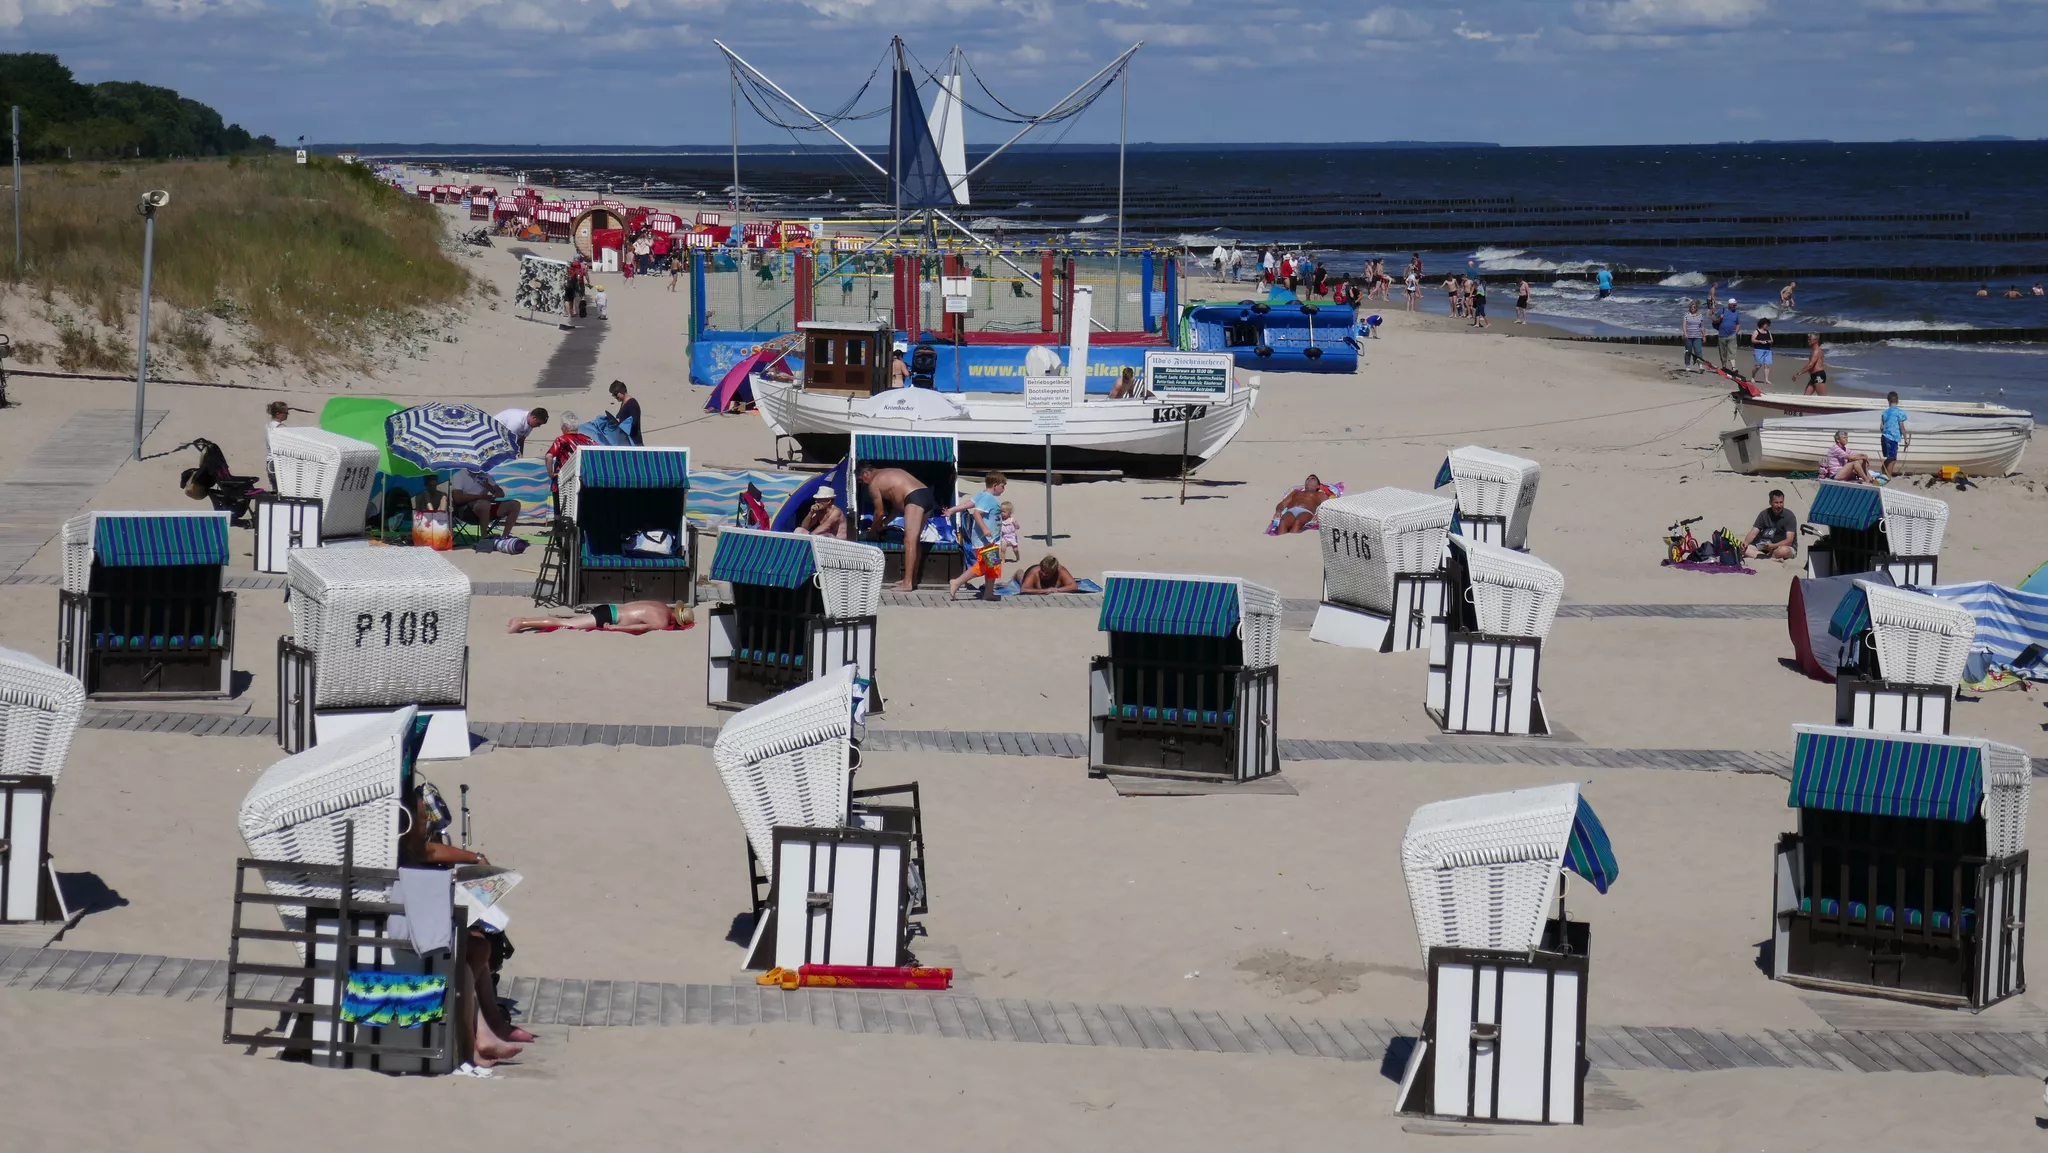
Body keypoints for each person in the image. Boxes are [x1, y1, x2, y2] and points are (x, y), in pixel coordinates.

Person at [397, 777, 531, 1066]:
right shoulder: (401, 849)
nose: (426, 827)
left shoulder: (407, 846)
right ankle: (479, 1040)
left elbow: (427, 851)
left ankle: (493, 1026)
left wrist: (475, 858)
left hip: (415, 922)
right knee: (472, 947)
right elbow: (425, 852)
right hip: (408, 933)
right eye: (422, 820)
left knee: (479, 945)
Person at [857, 463, 936, 591]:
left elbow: (879, 513)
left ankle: (907, 583)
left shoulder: (874, 483)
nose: (864, 484)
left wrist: (872, 531)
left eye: (861, 480)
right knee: (915, 541)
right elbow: (894, 510)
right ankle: (912, 579)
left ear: (866, 474)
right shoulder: (890, 472)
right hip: (926, 495)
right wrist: (883, 524)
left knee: (909, 541)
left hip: (914, 498)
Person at [945, 471, 1006, 601]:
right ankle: (957, 582)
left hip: (991, 539)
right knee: (984, 565)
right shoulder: (987, 498)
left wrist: (951, 510)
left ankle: (988, 593)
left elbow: (967, 505)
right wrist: (985, 529)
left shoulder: (981, 496)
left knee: (993, 566)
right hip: (985, 540)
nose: (1003, 489)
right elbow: (976, 514)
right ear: (995, 485)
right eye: (1002, 486)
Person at [507, 600, 694, 633]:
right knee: (565, 624)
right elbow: (641, 627)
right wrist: (616, 628)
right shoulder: (661, 622)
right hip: (610, 617)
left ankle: (524, 618)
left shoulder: (660, 605)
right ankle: (522, 622)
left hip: (610, 607)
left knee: (570, 621)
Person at [449, 467, 521, 538]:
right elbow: (457, 498)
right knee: (484, 504)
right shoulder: (459, 474)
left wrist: (490, 488)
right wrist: (479, 497)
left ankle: (505, 537)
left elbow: (501, 494)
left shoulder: (485, 475)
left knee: (515, 504)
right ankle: (484, 537)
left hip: (486, 506)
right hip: (466, 511)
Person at [542, 412, 592, 503]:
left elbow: (548, 456)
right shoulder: (588, 439)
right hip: (583, 480)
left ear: (565, 427)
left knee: (562, 510)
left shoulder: (561, 440)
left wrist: (551, 473)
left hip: (564, 480)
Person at [1742, 489, 1798, 561]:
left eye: (1781, 502)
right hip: (1766, 546)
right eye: (1776, 503)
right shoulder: (1764, 514)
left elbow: (1789, 540)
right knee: (1745, 549)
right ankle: (1771, 558)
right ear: (1770, 502)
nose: (1779, 505)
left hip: (1784, 546)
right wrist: (1746, 543)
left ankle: (1767, 557)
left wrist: (1774, 546)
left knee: (1783, 550)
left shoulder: (1789, 516)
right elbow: (1753, 532)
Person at [1271, 473, 1335, 535]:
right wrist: (1278, 511)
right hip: (1290, 510)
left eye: (1313, 479)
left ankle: (1292, 541)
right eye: (1307, 479)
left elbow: (1327, 505)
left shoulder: (1320, 494)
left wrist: (1319, 514)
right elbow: (1283, 504)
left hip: (1306, 511)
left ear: (1318, 486)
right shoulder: (1295, 492)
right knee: (1283, 522)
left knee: (1298, 522)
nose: (1309, 480)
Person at [1880, 391, 1910, 478]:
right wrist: (1906, 438)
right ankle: (1888, 477)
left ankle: (1882, 474)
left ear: (1888, 401)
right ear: (1898, 401)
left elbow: (1881, 427)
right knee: (1892, 459)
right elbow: (1902, 426)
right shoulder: (1900, 412)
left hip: (1884, 437)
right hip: (1892, 438)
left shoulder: (1885, 413)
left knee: (1889, 458)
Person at [264, 400, 290, 488]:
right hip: (278, 462)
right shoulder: (280, 427)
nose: (287, 415)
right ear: (278, 414)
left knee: (276, 490)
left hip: (270, 461)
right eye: (285, 413)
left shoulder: (268, 425)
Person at [609, 380, 643, 446]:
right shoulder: (624, 403)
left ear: (622, 391)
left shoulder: (632, 404)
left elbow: (634, 422)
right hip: (626, 441)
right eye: (613, 395)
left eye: (615, 394)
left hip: (634, 442)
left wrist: (620, 422)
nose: (615, 397)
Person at [1713, 299, 1742, 376]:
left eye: (1735, 305)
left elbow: (1738, 324)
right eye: (1733, 305)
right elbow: (1714, 321)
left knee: (1732, 351)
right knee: (1723, 353)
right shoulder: (1722, 311)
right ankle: (1724, 367)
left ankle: (1734, 368)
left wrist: (1736, 332)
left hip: (1732, 335)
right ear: (1729, 305)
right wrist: (1720, 318)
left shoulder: (1736, 313)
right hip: (1722, 335)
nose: (1735, 306)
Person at [1681, 300, 1705, 373]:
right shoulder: (1686, 315)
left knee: (1698, 351)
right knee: (1688, 351)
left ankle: (1701, 366)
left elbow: (1702, 327)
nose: (1692, 308)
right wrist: (1685, 333)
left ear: (1696, 308)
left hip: (1697, 336)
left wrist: (1704, 336)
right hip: (1688, 336)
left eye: (1694, 307)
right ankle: (1687, 366)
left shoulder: (1700, 316)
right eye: (1691, 307)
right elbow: (1684, 325)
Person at [1751, 317, 1775, 386]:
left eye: (1768, 324)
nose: (1767, 326)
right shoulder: (1756, 331)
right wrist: (1760, 341)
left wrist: (1769, 341)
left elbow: (1772, 340)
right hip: (1758, 350)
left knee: (1767, 365)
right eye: (1766, 324)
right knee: (1758, 365)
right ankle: (1753, 377)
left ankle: (1766, 379)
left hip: (1767, 350)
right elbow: (1753, 340)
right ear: (1762, 324)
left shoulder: (1768, 332)